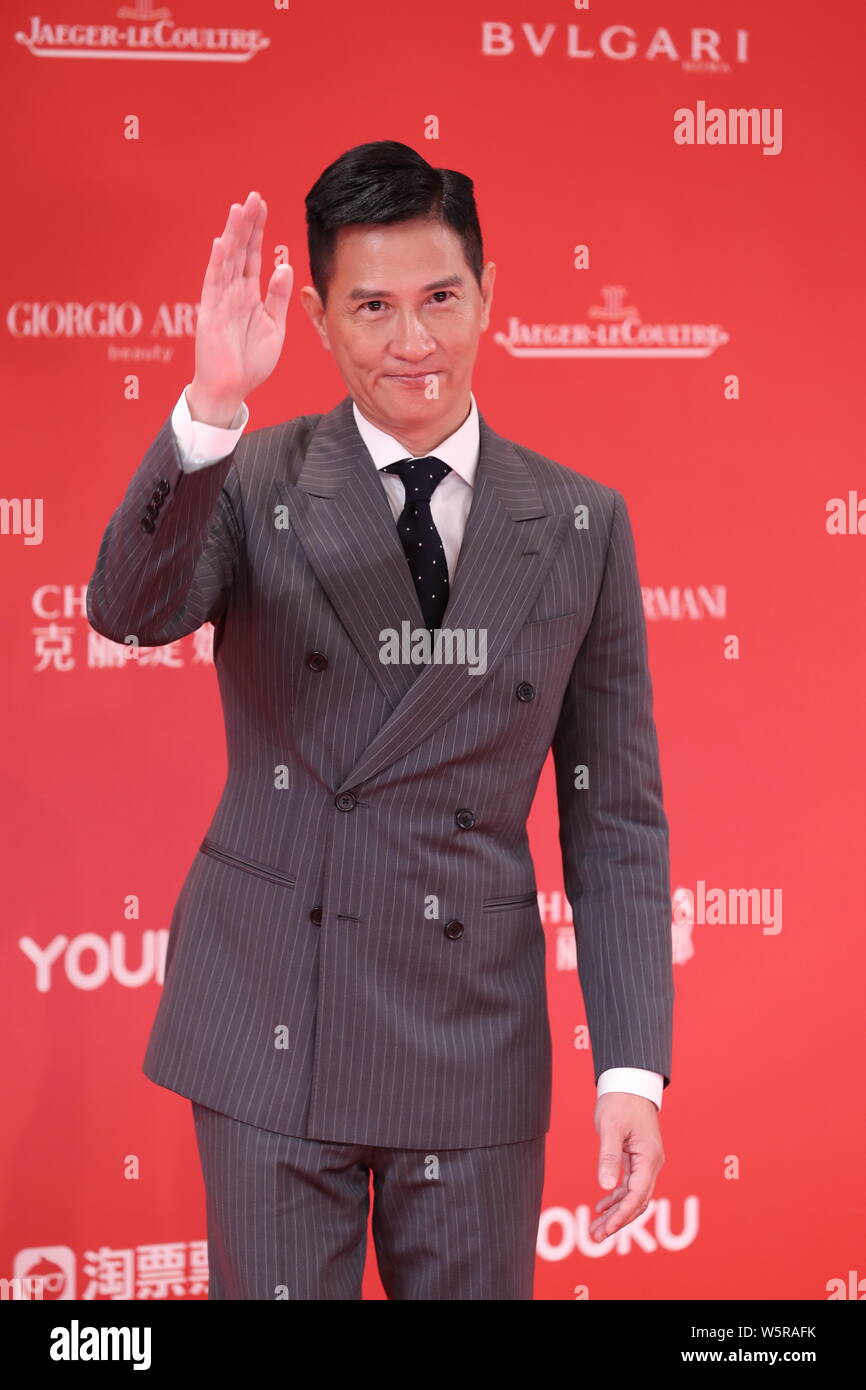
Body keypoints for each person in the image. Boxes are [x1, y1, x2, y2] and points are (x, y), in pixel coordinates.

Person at [86, 140, 674, 1301]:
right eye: (371, 307)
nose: (413, 343)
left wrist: (633, 1070)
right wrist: (208, 408)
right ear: (316, 317)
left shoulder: (577, 523)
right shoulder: (253, 478)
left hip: (469, 1040)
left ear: (488, 291)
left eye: (439, 298)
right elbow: (130, 607)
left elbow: (615, 821)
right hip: (271, 1020)